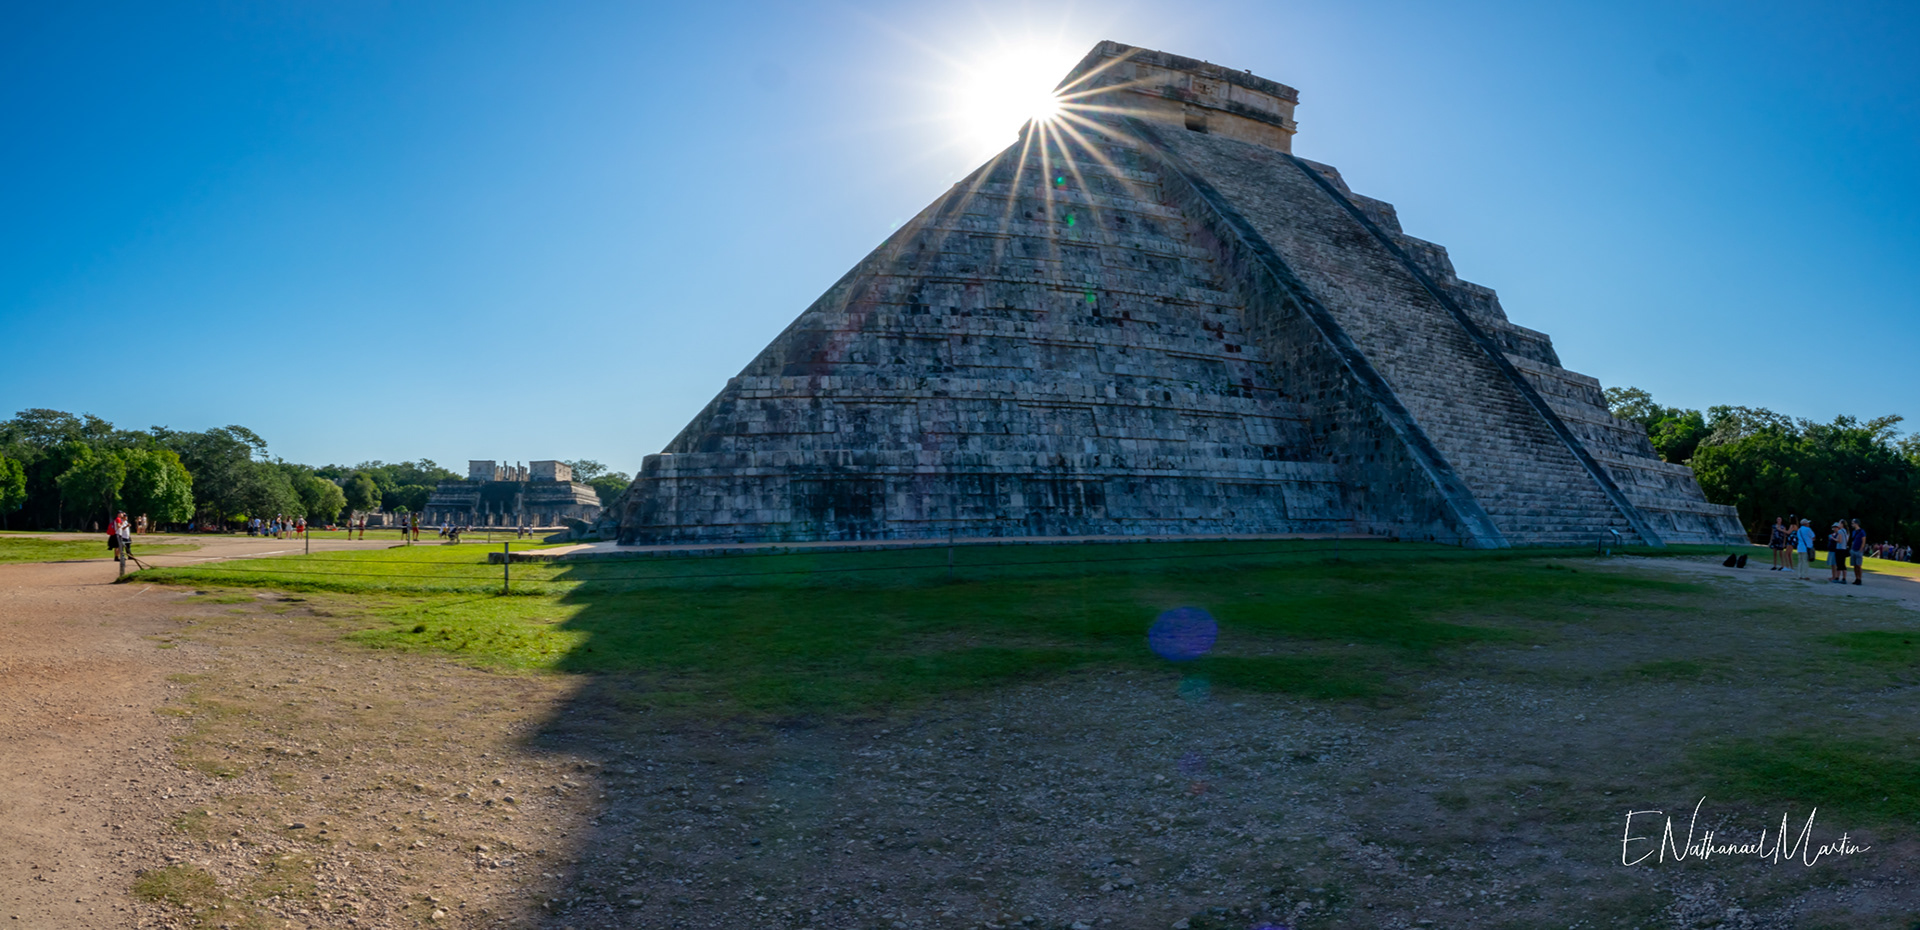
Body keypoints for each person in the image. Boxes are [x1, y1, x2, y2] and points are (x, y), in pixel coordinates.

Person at [1850, 519, 1867, 586]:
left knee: (1859, 565)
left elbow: (1863, 541)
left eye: (1853, 523)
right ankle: (1856, 578)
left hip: (1858, 550)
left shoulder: (1862, 531)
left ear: (1856, 524)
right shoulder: (1854, 532)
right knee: (1855, 565)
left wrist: (1861, 549)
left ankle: (1859, 579)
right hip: (1853, 549)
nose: (1852, 524)